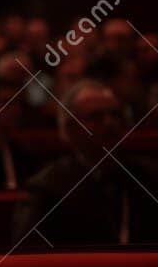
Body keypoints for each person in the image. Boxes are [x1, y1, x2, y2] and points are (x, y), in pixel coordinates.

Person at [13, 79, 158, 246]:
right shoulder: (47, 189)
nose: (110, 123)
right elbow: (29, 254)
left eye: (115, 115)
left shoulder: (149, 177)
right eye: (96, 116)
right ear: (70, 129)